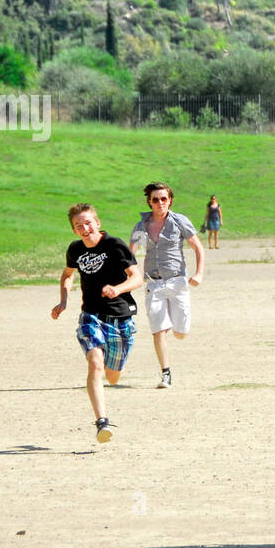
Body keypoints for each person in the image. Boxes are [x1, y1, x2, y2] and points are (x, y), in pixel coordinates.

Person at [51, 203, 143, 443]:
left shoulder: (115, 245)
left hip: (121, 316)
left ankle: (115, 371)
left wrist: (117, 289)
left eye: (88, 223)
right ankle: (102, 421)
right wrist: (63, 300)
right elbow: (67, 274)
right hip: (91, 315)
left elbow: (137, 278)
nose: (84, 228)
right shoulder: (75, 250)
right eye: (78, 226)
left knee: (113, 376)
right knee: (95, 363)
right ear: (74, 230)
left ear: (98, 223)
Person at [129, 182, 204, 389]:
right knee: (158, 330)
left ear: (170, 200)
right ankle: (166, 373)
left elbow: (198, 247)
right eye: (155, 199)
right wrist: (127, 276)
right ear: (149, 202)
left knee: (180, 333)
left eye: (164, 199)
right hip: (154, 284)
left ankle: (172, 324)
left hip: (178, 282)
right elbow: (131, 254)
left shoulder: (180, 222)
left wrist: (199, 273)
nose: (160, 203)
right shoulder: (140, 226)